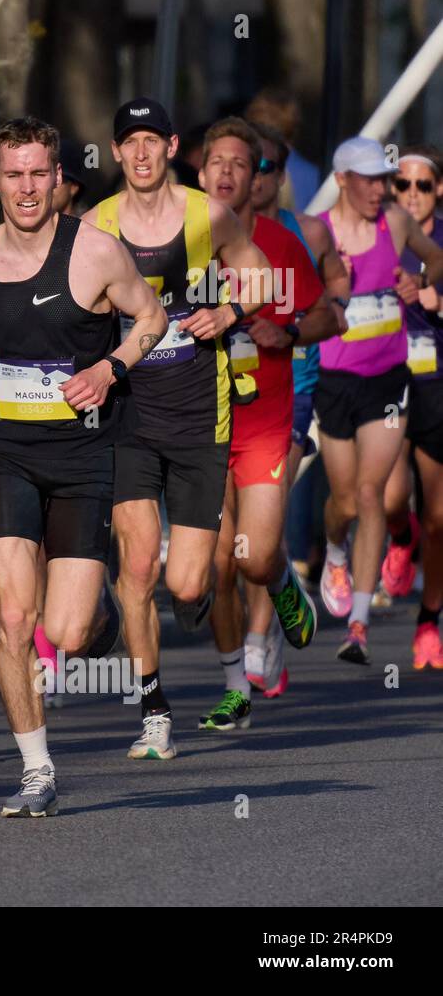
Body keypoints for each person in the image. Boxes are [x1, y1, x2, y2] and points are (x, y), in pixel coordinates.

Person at [0, 116, 166, 816]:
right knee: (11, 613)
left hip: (88, 456)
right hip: (9, 453)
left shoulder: (95, 252)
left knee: (63, 631)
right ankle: (36, 770)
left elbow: (150, 319)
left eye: (41, 173)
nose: (28, 188)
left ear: (57, 178)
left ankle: (102, 622)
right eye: (15, 174)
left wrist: (108, 367)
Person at [84, 98, 270, 757]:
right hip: (129, 412)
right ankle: (154, 710)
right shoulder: (96, 223)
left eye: (150, 142)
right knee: (137, 564)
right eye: (126, 142)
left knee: (188, 583)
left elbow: (258, 273)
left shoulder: (206, 212)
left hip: (197, 412)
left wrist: (228, 312)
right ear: (115, 153)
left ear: (170, 148)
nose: (139, 154)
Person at [197, 117, 335, 726]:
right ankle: (235, 686)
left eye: (239, 163)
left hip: (264, 423)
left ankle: (283, 583)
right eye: (216, 162)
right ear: (199, 173)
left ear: (257, 178)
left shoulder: (280, 245)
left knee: (254, 558)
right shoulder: (180, 241)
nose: (227, 173)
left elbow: (330, 317)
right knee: (217, 565)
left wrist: (288, 331)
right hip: (199, 423)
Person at [314, 136, 443, 664]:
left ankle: (360, 625)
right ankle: (336, 552)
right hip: (335, 383)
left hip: (394, 380)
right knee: (347, 502)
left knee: (375, 496)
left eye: (383, 180)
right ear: (342, 179)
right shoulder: (317, 230)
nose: (382, 190)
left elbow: (436, 260)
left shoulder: (397, 224)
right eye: (369, 179)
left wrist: (421, 282)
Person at [241, 119, 349, 695]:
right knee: (227, 542)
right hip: (217, 397)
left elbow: (336, 300)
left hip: (290, 395)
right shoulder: (206, 234)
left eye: (265, 168)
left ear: (281, 176)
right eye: (240, 166)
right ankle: (276, 593)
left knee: (267, 521)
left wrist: (303, 324)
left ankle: (261, 639)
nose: (253, 179)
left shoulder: (306, 231)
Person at [382, 145, 443, 669]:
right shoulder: (379, 234)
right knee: (390, 494)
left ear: (438, 190)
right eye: (402, 185)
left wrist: (437, 302)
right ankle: (402, 536)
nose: (412, 195)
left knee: (441, 515)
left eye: (422, 186)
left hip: (437, 381)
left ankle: (428, 622)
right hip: (386, 377)